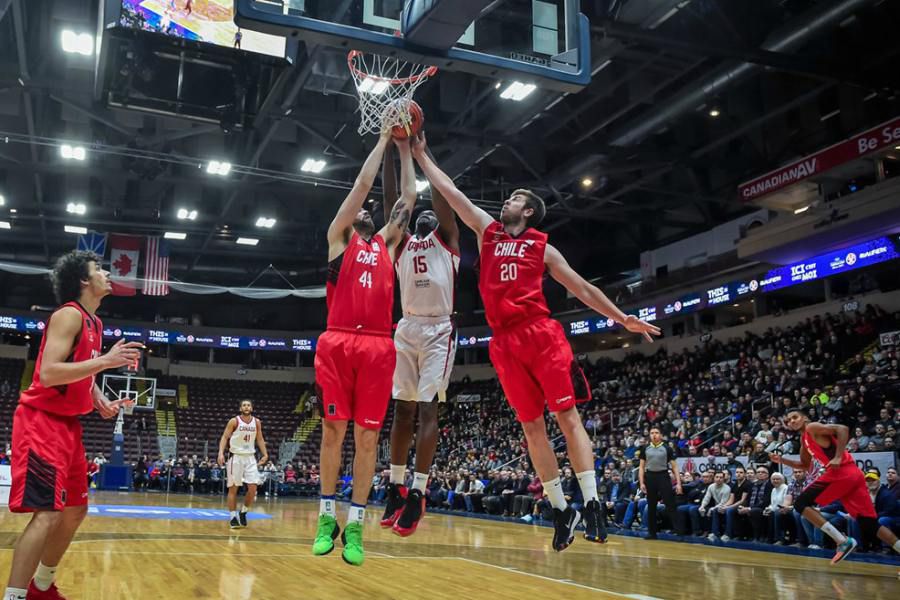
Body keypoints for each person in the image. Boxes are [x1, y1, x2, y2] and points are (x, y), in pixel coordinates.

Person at [412, 133, 659, 551]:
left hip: (540, 334)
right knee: (531, 427)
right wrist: (421, 153)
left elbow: (581, 287)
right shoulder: (487, 232)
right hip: (504, 342)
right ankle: (562, 508)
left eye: (512, 199)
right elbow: (451, 193)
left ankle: (594, 501)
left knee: (567, 418)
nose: (503, 202)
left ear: (527, 211)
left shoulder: (543, 247)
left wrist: (620, 318)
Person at [4, 251, 142, 600]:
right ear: (83, 280)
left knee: (75, 510)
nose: (107, 273)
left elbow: (82, 369)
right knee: (48, 513)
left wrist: (99, 399)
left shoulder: (95, 323)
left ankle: (42, 586)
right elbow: (50, 372)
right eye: (99, 269)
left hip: (68, 426)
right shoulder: (68, 315)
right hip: (41, 422)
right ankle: (15, 596)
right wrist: (108, 361)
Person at [313, 132, 417, 566]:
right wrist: (379, 140)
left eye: (374, 210)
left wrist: (406, 147)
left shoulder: (389, 245)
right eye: (364, 209)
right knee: (334, 432)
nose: (369, 211)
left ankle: (354, 526)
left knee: (367, 436)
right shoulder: (339, 236)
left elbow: (409, 197)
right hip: (337, 340)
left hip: (377, 346)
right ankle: (325, 518)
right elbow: (359, 186)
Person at [380, 145, 460, 537]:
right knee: (402, 410)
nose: (426, 215)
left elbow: (441, 198)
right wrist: (391, 153)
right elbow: (393, 201)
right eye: (420, 213)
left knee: (429, 410)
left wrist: (425, 156)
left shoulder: (448, 240)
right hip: (407, 327)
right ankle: (395, 486)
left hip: (439, 330)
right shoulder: (401, 243)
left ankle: (418, 492)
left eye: (430, 212)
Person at [771, 408, 900, 563]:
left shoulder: (812, 427)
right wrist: (781, 460)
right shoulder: (804, 440)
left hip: (842, 473)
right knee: (869, 524)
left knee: (801, 503)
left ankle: (842, 541)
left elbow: (842, 429)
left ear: (804, 418)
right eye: (788, 421)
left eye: (794, 417)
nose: (791, 421)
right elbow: (805, 465)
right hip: (853, 476)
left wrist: (838, 457)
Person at [217, 400, 268, 529]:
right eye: (244, 405)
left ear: (252, 408)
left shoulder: (257, 422)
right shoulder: (234, 421)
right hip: (236, 456)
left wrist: (265, 454)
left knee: (253, 488)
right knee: (233, 488)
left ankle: (244, 511)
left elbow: (260, 439)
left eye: (249, 405)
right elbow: (224, 437)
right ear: (240, 408)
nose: (246, 407)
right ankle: (233, 517)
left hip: (250, 457)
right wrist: (220, 453)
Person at [636, 427, 682, 539]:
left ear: (660, 435)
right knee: (651, 506)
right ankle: (652, 533)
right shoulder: (645, 448)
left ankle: (679, 531)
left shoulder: (667, 448)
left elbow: (675, 467)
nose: (654, 435)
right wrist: (642, 483)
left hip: (663, 476)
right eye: (652, 433)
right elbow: (641, 467)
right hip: (650, 477)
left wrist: (679, 483)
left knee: (670, 504)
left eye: (656, 433)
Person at [701, 471, 732, 540]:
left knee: (714, 510)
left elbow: (723, 502)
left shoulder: (727, 488)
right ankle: (709, 532)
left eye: (721, 477)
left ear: (724, 479)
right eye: (717, 477)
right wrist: (702, 506)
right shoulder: (711, 486)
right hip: (718, 506)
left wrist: (712, 508)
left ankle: (716, 533)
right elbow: (707, 498)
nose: (718, 479)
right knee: (703, 510)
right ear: (714, 478)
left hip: (726, 506)